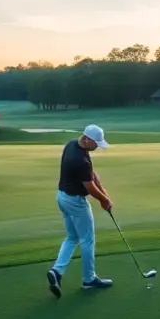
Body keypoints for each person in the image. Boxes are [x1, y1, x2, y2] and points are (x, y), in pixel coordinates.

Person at [46, 124, 114, 298]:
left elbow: (92, 174)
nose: (98, 146)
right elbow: (89, 187)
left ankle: (56, 271)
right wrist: (104, 200)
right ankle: (89, 279)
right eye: (96, 143)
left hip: (62, 197)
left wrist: (104, 193)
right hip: (76, 202)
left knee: (72, 237)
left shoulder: (72, 145)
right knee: (87, 240)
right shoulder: (80, 160)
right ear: (87, 139)